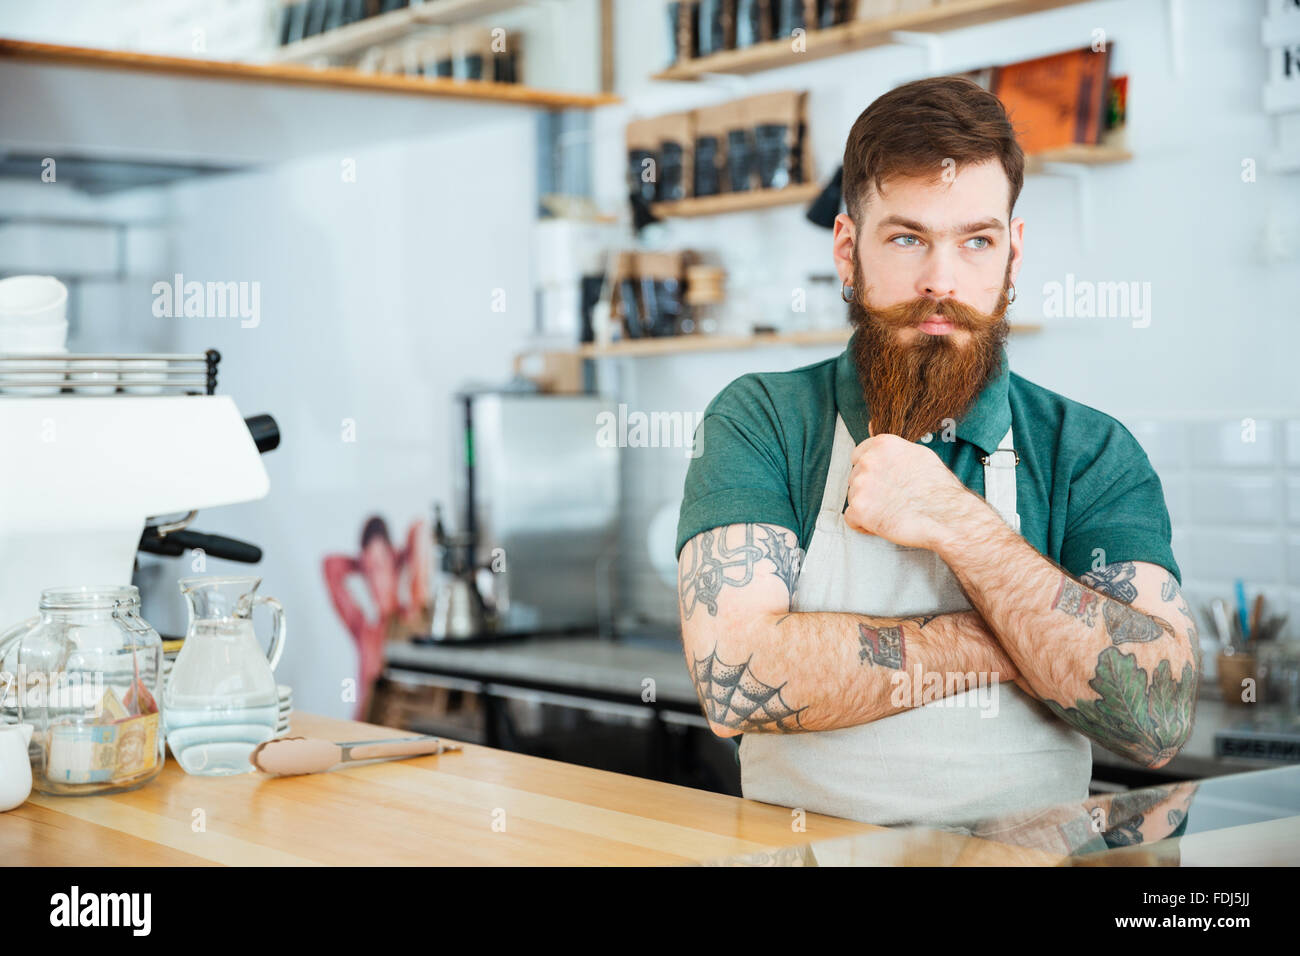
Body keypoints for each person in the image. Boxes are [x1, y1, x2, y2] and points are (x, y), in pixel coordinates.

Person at [675, 75, 1198, 827]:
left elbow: (1157, 715)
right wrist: (1027, 640)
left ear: (1012, 254)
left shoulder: (1087, 450)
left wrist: (956, 521)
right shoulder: (763, 419)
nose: (941, 282)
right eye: (907, 238)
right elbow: (735, 681)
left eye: (976, 241)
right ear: (849, 250)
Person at [323, 516, 431, 719]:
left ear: (393, 557)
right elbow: (330, 564)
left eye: (380, 565)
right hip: (368, 724)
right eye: (369, 570)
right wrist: (361, 563)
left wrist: (402, 556)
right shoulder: (363, 627)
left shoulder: (411, 618)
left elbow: (419, 530)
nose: (375, 579)